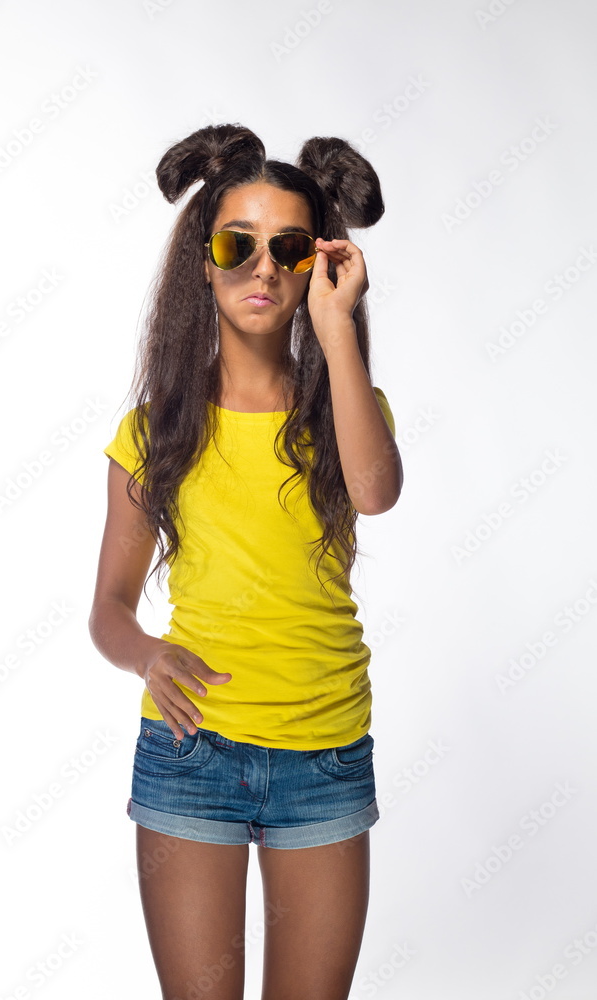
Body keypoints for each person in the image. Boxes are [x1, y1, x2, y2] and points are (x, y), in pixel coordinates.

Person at [88, 122, 403, 1000]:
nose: (262, 268)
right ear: (205, 260)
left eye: (289, 248)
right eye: (238, 244)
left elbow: (374, 492)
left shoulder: (348, 408)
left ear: (317, 262)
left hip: (324, 756)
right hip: (192, 754)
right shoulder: (157, 432)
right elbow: (107, 608)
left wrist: (336, 330)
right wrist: (149, 655)